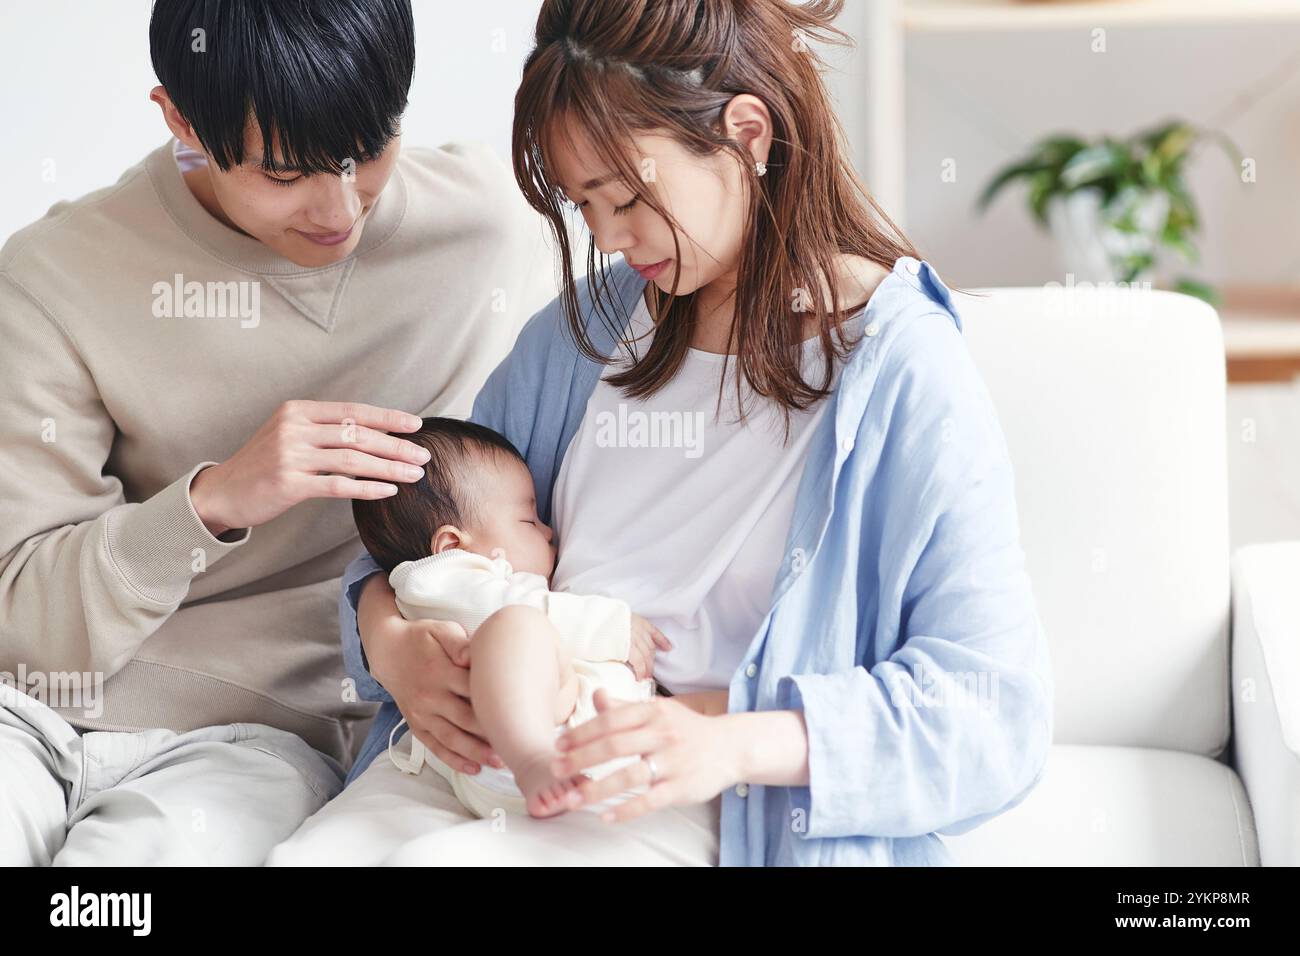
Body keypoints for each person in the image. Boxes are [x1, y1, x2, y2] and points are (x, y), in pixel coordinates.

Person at [267, 0, 1053, 867]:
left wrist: (729, 742)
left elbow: (993, 717)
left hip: (688, 807)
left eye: (629, 196)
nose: (606, 236)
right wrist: (389, 635)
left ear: (747, 135)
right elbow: (420, 530)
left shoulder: (902, 371)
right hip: (464, 778)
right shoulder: (581, 336)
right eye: (583, 204)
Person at [0, 0, 553, 865]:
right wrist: (214, 502)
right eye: (287, 173)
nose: (339, 209)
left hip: (256, 739)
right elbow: (18, 617)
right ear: (181, 118)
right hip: (24, 715)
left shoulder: (491, 232)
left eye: (367, 151)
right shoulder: (49, 279)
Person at [351, 415, 675, 817]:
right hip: (510, 755)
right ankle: (536, 762)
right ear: (452, 544)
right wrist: (611, 626)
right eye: (529, 520)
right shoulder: (440, 578)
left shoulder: (453, 580)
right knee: (514, 624)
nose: (549, 532)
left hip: (581, 754)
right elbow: (515, 612)